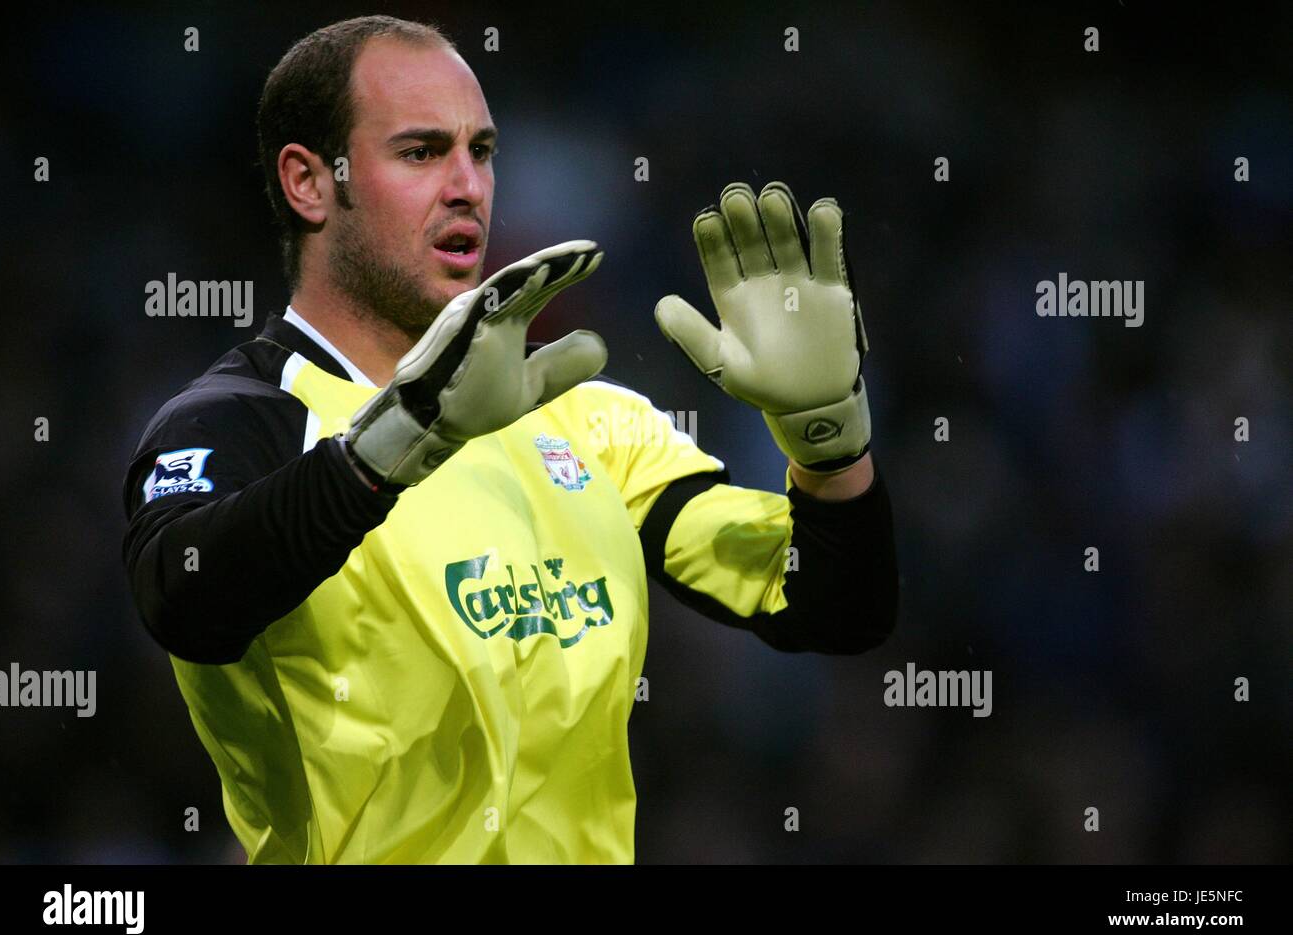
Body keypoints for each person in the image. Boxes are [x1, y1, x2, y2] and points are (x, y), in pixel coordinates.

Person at [121, 15, 898, 864]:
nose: (468, 187)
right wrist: (409, 432)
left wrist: (830, 447)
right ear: (310, 183)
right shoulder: (239, 419)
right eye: (420, 153)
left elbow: (835, 605)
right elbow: (183, 598)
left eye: (481, 151)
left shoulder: (584, 417)